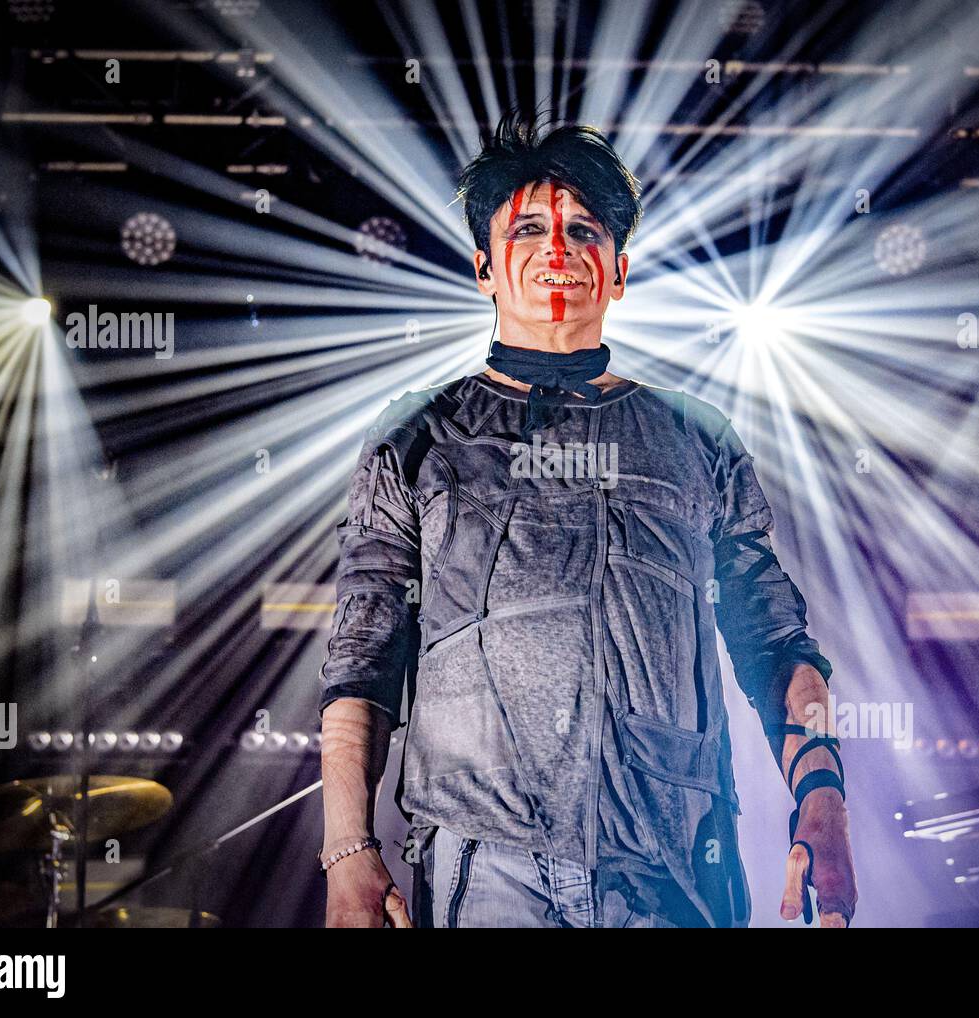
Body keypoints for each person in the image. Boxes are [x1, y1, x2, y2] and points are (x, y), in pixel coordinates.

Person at [317, 110, 856, 928]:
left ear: (619, 270)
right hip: (484, 863)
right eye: (528, 227)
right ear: (484, 270)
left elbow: (773, 637)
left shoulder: (696, 437)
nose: (558, 249)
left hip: (676, 863)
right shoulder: (417, 435)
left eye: (584, 229)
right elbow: (364, 652)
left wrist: (824, 794)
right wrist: (348, 851)